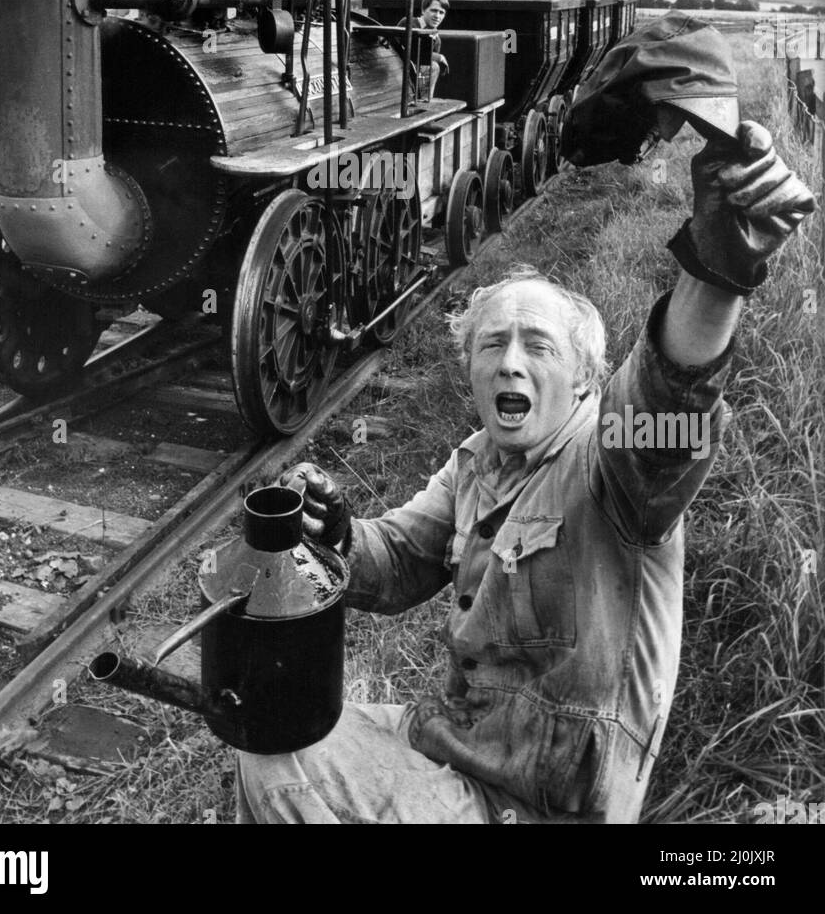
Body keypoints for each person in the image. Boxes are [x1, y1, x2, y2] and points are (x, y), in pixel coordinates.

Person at [235, 120, 814, 824]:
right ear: (471, 372)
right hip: (457, 744)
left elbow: (673, 401)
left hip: (533, 804)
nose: (509, 361)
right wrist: (337, 535)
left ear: (583, 379)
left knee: (280, 754)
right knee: (279, 716)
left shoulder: (615, 458)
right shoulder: (477, 461)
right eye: (491, 345)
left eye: (536, 345)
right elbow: (400, 560)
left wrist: (716, 274)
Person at [399, 0, 450, 100]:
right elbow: (410, 52)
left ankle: (425, 101)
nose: (437, 16)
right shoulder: (408, 23)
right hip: (397, 69)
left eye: (442, 13)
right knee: (434, 66)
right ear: (423, 10)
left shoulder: (436, 38)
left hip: (413, 78)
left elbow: (426, 63)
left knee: (433, 66)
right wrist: (440, 57)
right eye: (434, 10)